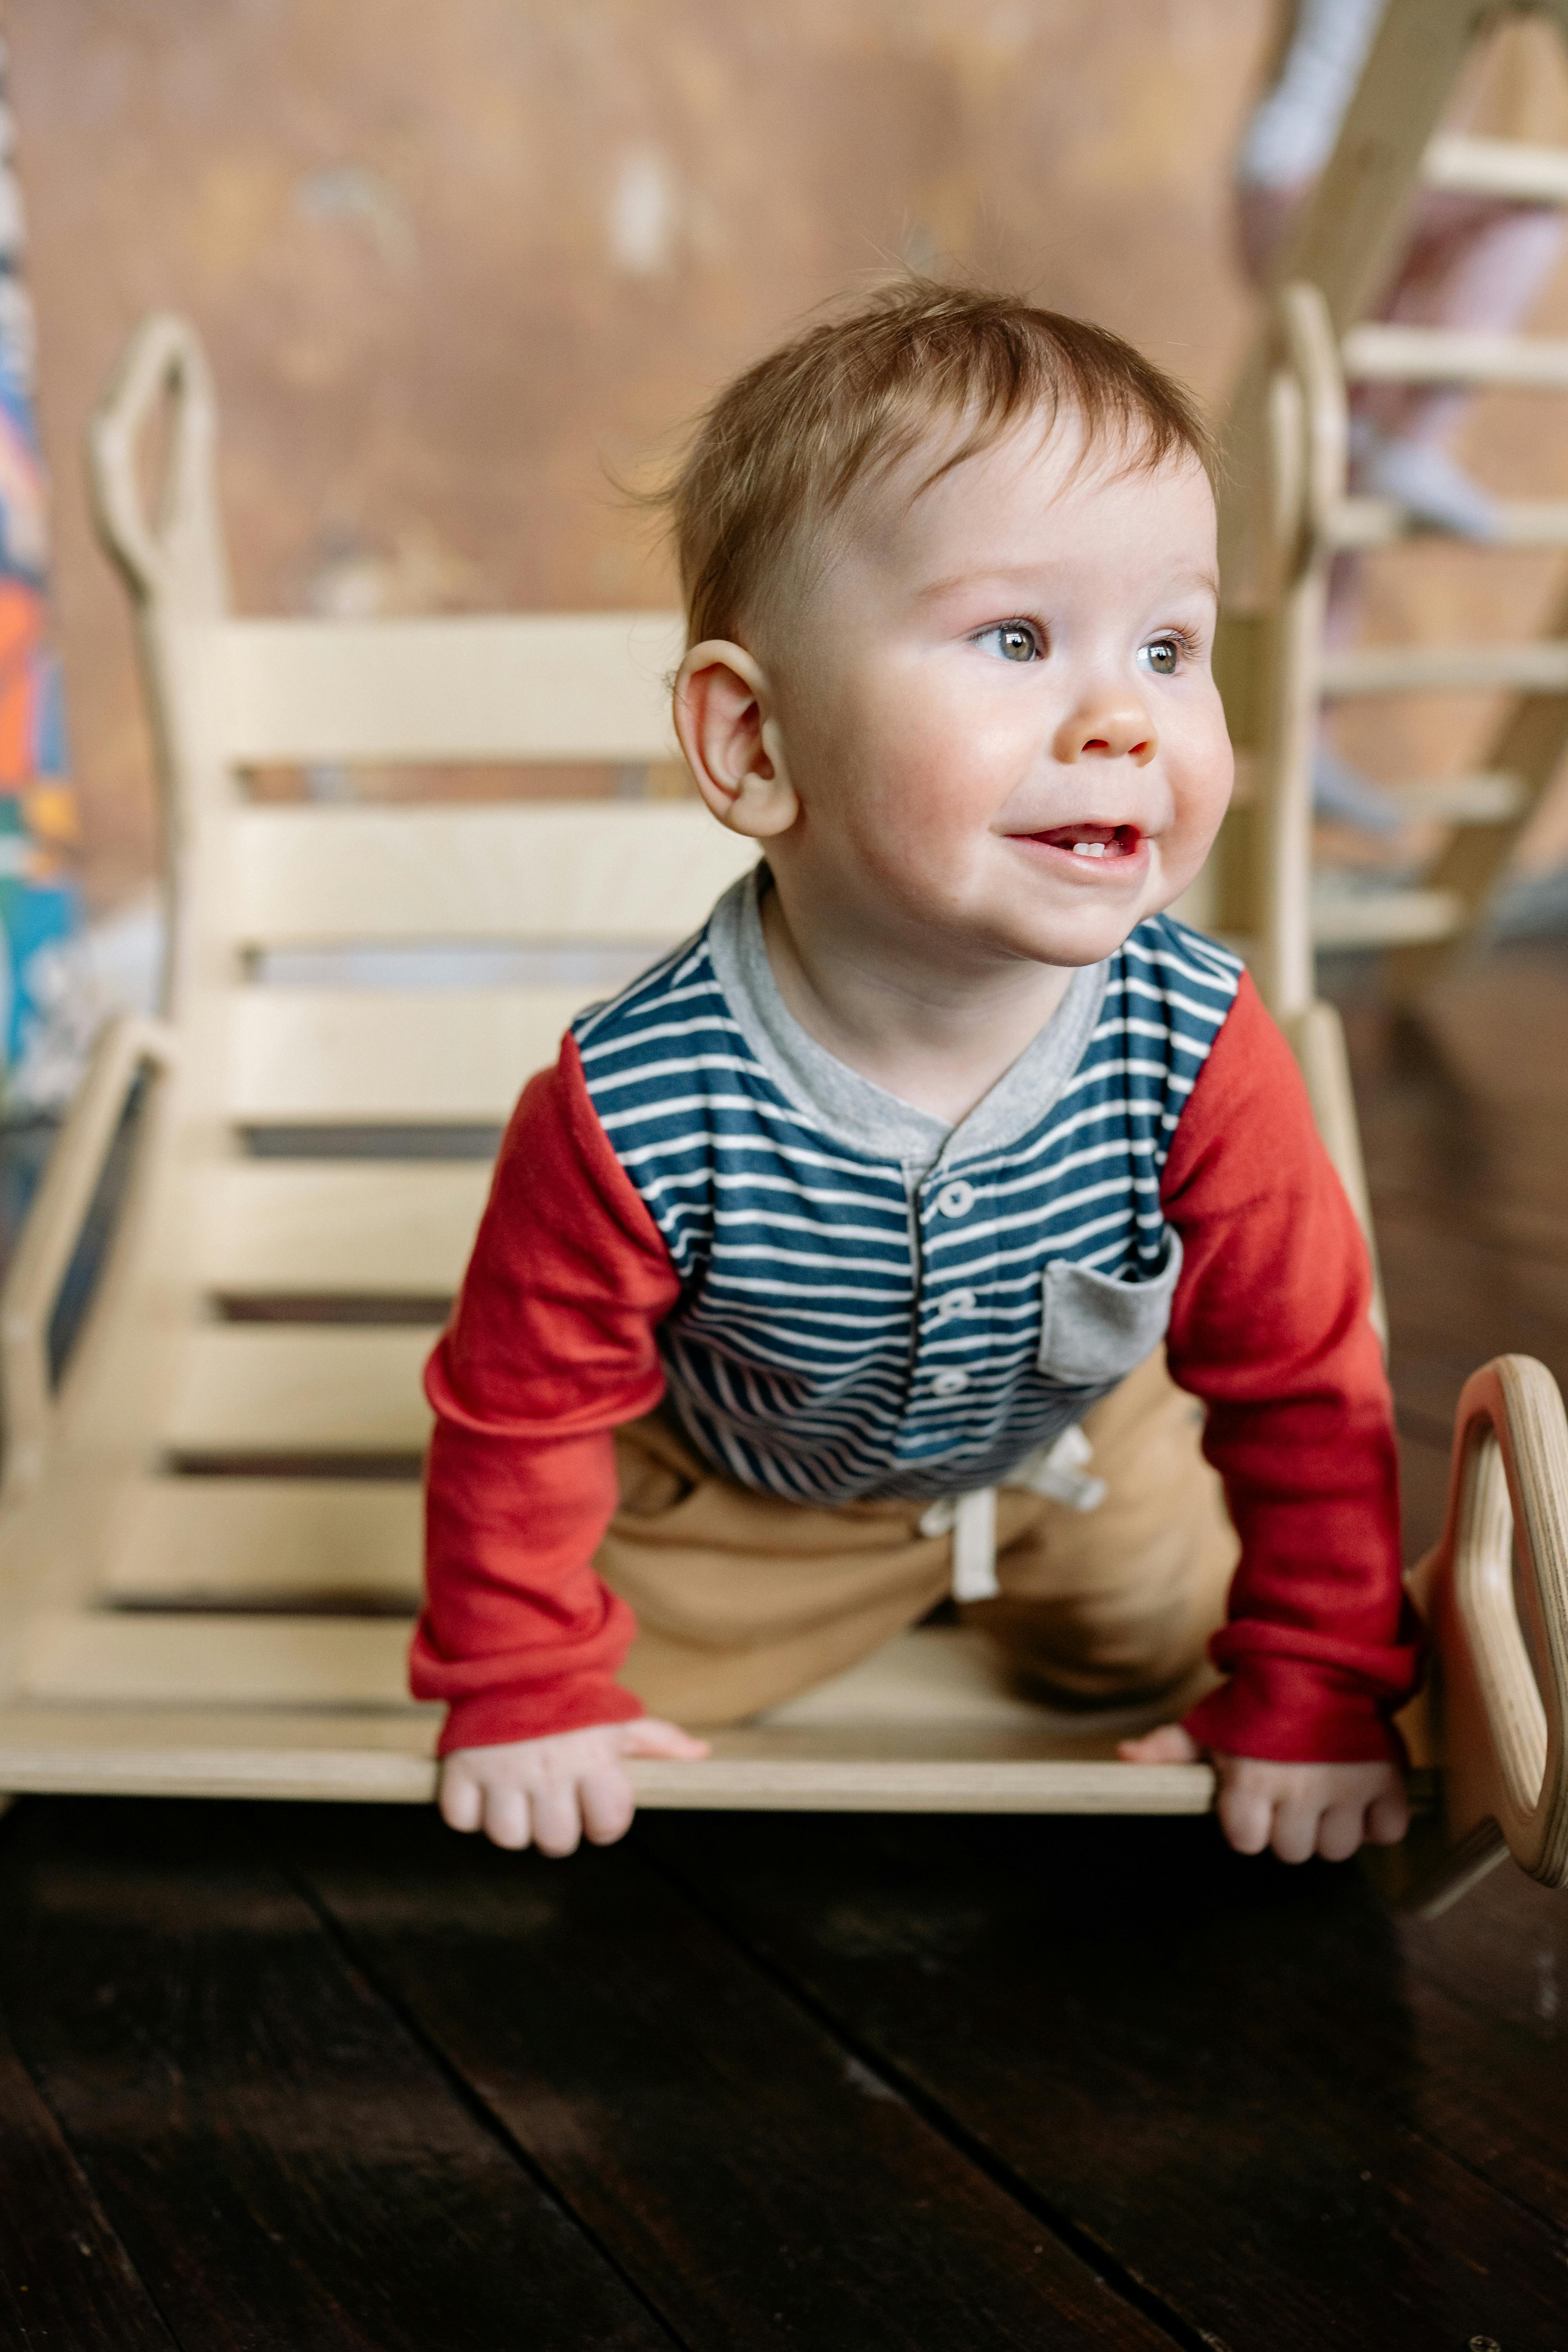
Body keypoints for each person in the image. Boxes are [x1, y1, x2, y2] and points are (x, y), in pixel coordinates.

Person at [411, 284, 1420, 1869]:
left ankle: (1091, 1613)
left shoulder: (1202, 1055)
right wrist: (526, 1681)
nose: (1121, 717)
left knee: (1170, 1643)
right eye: (1016, 637)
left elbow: (1301, 1383)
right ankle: (767, 1629)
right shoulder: (629, 1109)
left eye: (1169, 644)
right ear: (752, 743)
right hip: (756, 1502)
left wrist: (1310, 1679)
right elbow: (524, 1414)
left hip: (1075, 1458)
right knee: (597, 1699)